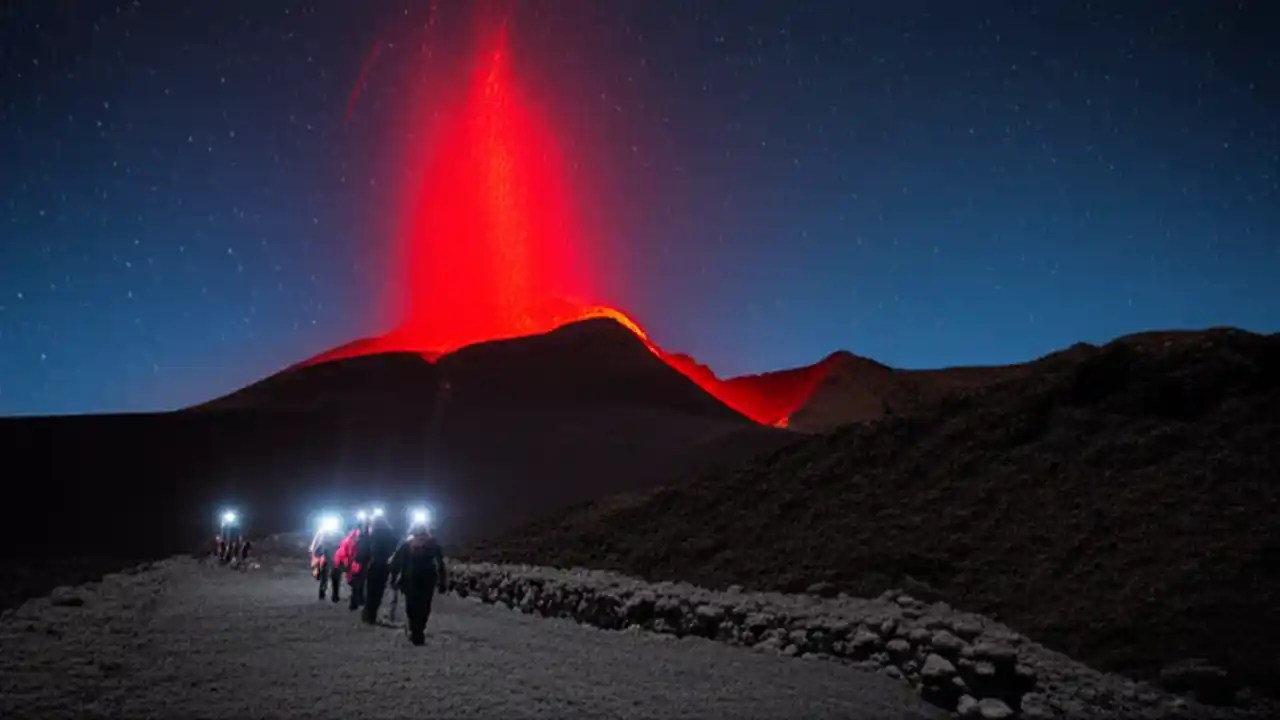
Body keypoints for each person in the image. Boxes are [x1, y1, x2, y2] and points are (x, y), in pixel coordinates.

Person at [389, 521, 447, 645]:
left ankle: (414, 631)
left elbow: (396, 563)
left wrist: (393, 578)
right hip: (428, 579)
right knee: (424, 606)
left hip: (410, 578)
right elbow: (441, 564)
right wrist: (442, 581)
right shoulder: (433, 544)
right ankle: (420, 630)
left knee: (412, 606)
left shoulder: (407, 545)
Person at [358, 515, 400, 625]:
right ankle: (373, 614)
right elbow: (394, 548)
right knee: (379, 592)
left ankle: (368, 615)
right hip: (385, 566)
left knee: (370, 591)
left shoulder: (371, 535)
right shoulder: (391, 535)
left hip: (373, 565)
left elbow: (364, 550)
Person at [334, 524, 365, 611]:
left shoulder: (349, 540)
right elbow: (344, 553)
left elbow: (342, 553)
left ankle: (357, 601)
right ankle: (355, 602)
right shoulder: (353, 540)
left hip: (353, 564)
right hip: (354, 564)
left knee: (356, 583)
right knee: (356, 583)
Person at [311, 526, 342, 602]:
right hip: (327, 562)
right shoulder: (324, 537)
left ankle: (335, 595)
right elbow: (317, 550)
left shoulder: (339, 535)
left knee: (335, 579)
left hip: (335, 562)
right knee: (325, 578)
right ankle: (323, 593)